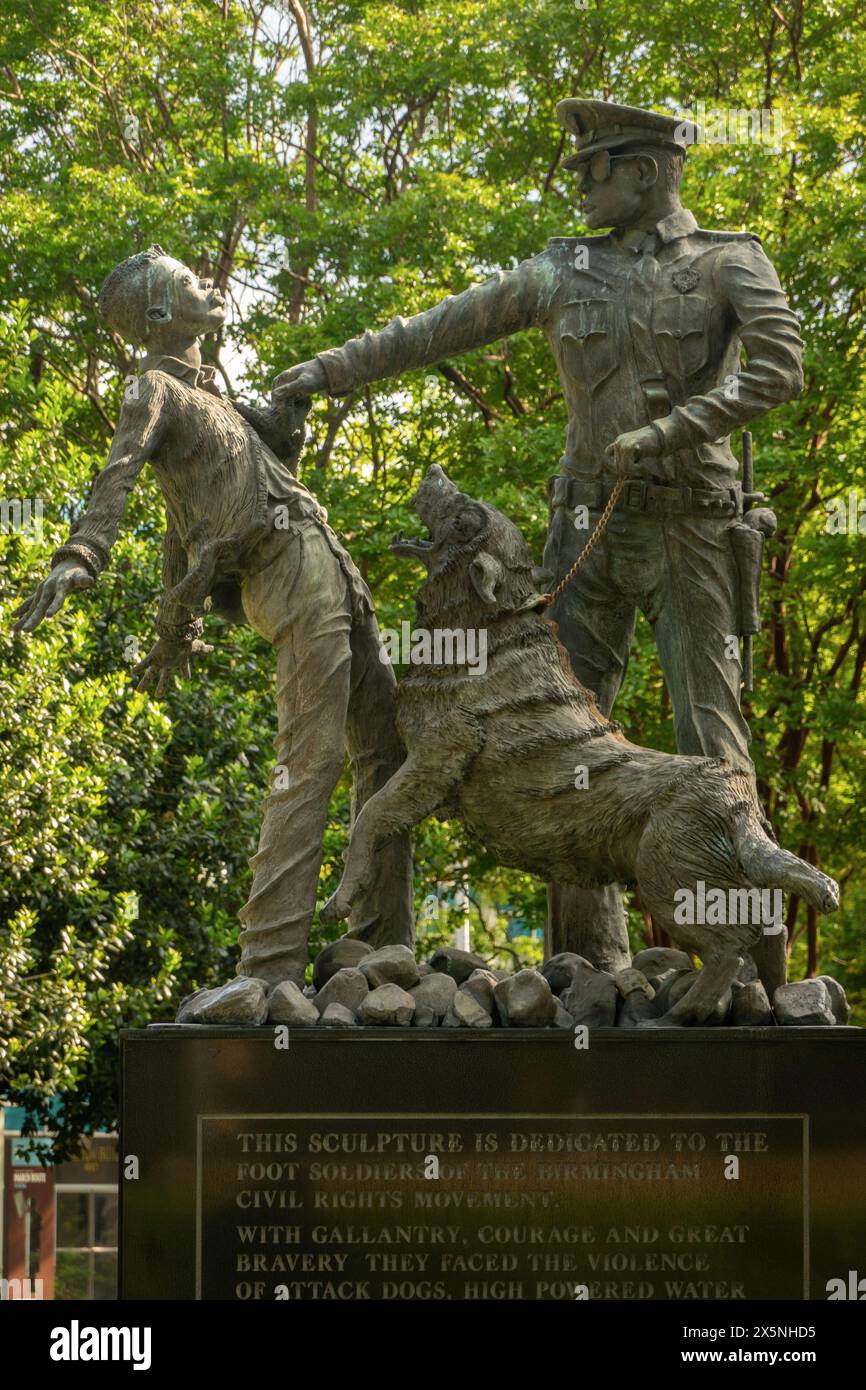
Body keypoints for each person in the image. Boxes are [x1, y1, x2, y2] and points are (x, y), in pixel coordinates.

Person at [271, 100, 803, 988]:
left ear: (646, 172)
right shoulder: (565, 270)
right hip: (585, 530)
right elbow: (443, 325)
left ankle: (750, 968)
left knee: (711, 738)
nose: (581, 186)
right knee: (566, 748)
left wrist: (674, 431)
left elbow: (781, 369)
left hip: (696, 528)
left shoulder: (728, 261)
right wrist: (330, 370)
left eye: (595, 170)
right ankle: (590, 965)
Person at [13, 246, 413, 997]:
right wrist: (81, 554)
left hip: (324, 558)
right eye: (194, 283)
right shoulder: (151, 391)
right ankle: (266, 967)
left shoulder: (216, 398)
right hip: (283, 572)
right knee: (312, 753)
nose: (212, 286)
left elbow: (205, 504)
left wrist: (283, 426)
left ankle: (382, 942)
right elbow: (118, 473)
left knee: (385, 738)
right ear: (165, 314)